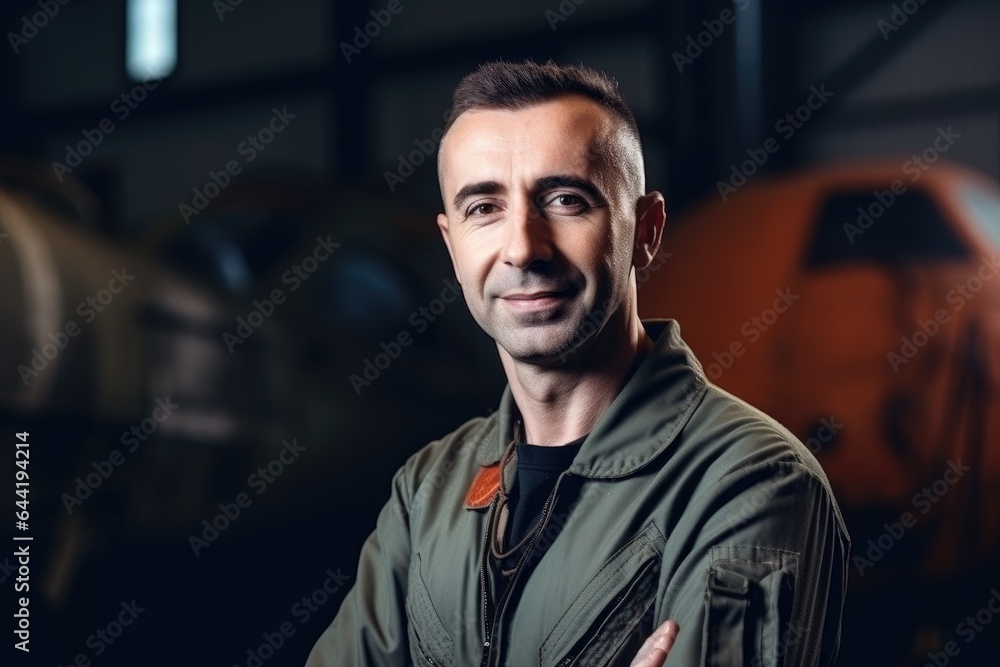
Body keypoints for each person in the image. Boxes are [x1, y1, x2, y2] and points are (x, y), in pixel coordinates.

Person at [307, 59, 849, 666]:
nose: (522, 249)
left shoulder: (751, 484)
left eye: (566, 200)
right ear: (451, 244)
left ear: (646, 229)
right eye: (484, 208)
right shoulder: (426, 492)